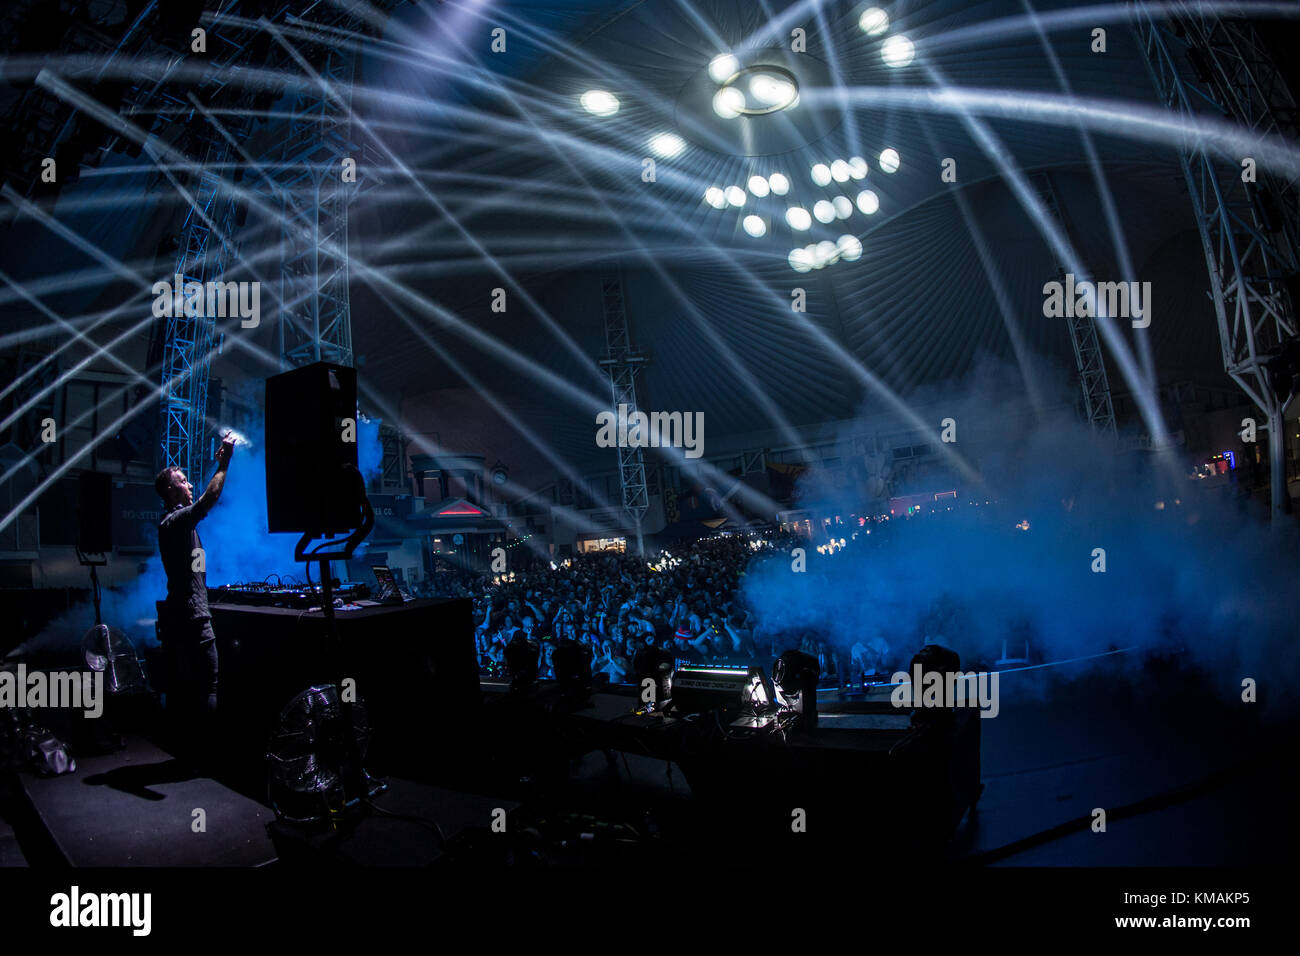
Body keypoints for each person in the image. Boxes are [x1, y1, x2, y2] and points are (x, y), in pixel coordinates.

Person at [154, 432, 236, 767]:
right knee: (210, 684)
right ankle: (207, 755)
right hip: (192, 617)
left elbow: (192, 570)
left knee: (192, 685)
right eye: (184, 481)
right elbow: (209, 498)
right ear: (171, 490)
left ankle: (192, 749)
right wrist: (225, 462)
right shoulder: (175, 520)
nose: (190, 485)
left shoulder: (181, 528)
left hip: (185, 613)